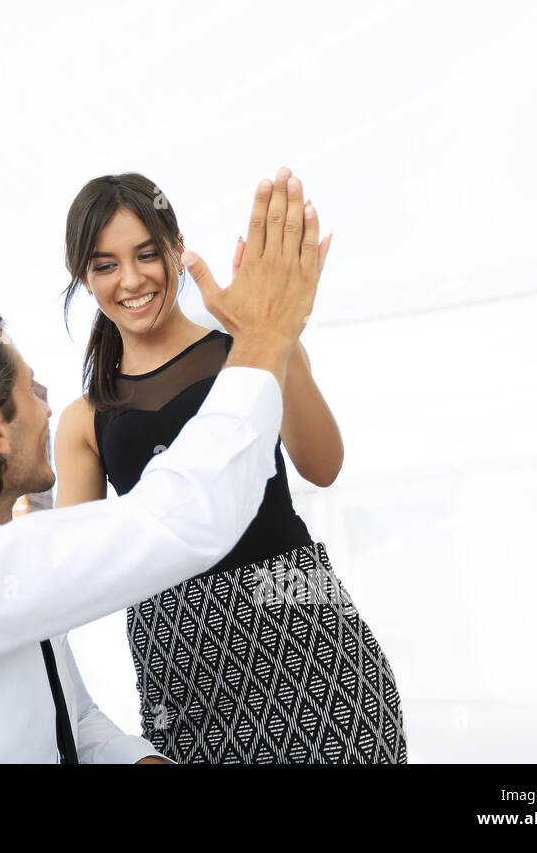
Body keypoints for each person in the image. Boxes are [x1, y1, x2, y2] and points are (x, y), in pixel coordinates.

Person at [0, 172, 328, 762]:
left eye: (147, 253)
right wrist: (263, 341)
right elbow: (168, 524)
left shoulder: (2, 585)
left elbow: (79, 728)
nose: (49, 406)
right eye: (32, 388)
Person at [54, 169, 407, 763]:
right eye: (105, 264)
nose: (132, 279)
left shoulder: (251, 349)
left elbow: (323, 466)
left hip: (312, 644)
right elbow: (72, 577)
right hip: (184, 674)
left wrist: (269, 335)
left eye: (146, 254)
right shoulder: (85, 419)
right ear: (84, 280)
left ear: (175, 248)